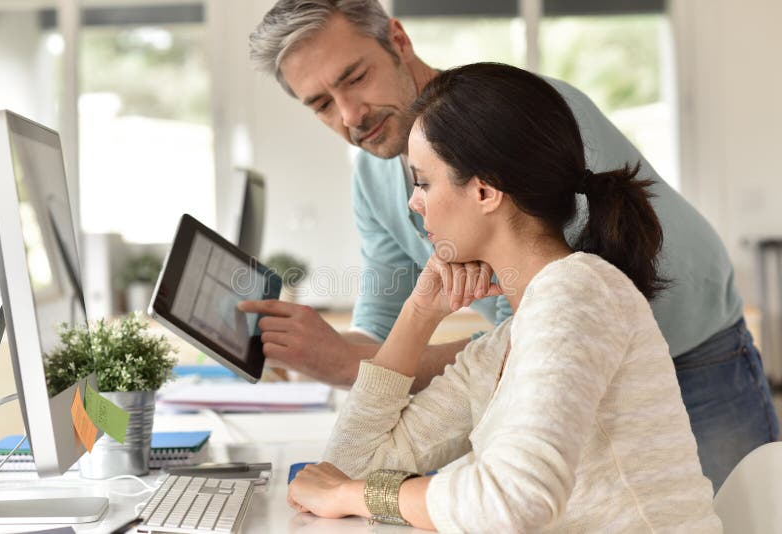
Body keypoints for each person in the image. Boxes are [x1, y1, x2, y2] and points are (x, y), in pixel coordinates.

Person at [246, 0, 778, 490]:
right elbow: (392, 326)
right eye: (320, 104)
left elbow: (534, 336)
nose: (350, 115)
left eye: (355, 77)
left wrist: (349, 368)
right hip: (561, 366)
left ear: (398, 40)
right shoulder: (373, 175)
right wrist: (329, 352)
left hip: (692, 347)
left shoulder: (515, 118)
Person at [286, 63, 722, 532]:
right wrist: (418, 314)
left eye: (423, 182)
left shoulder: (577, 295)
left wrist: (350, 494)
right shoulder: (506, 342)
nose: (415, 203)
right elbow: (349, 467)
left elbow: (514, 501)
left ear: (484, 190)